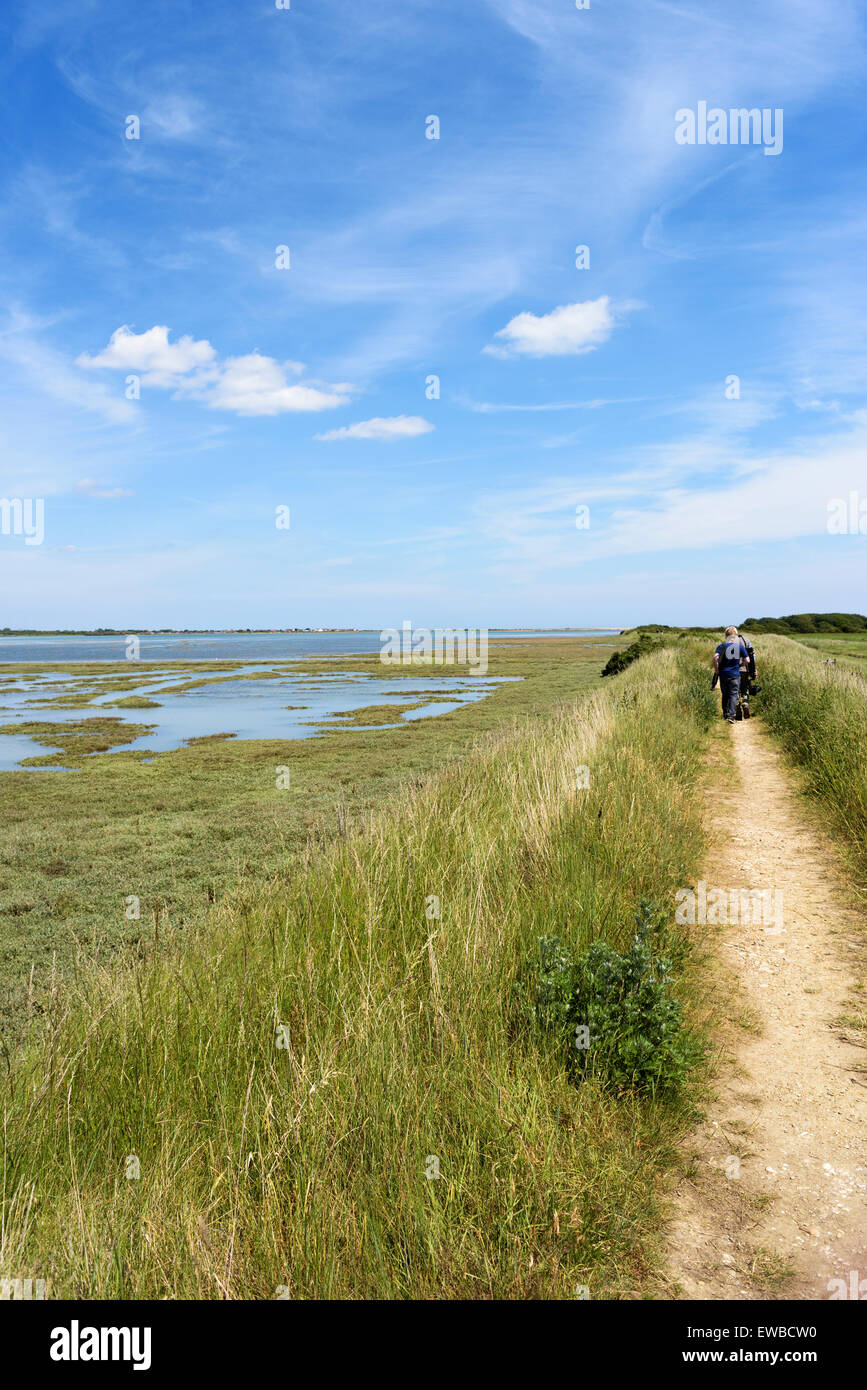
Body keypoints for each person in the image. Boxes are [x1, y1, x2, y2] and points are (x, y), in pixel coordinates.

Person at [712, 626, 756, 723]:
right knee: (734, 694)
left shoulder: (721, 646)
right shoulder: (740, 646)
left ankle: (726, 714)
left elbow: (715, 658)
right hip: (735, 673)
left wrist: (716, 670)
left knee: (725, 694)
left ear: (726, 636)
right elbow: (749, 659)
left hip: (723, 674)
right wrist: (741, 664)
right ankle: (732, 716)